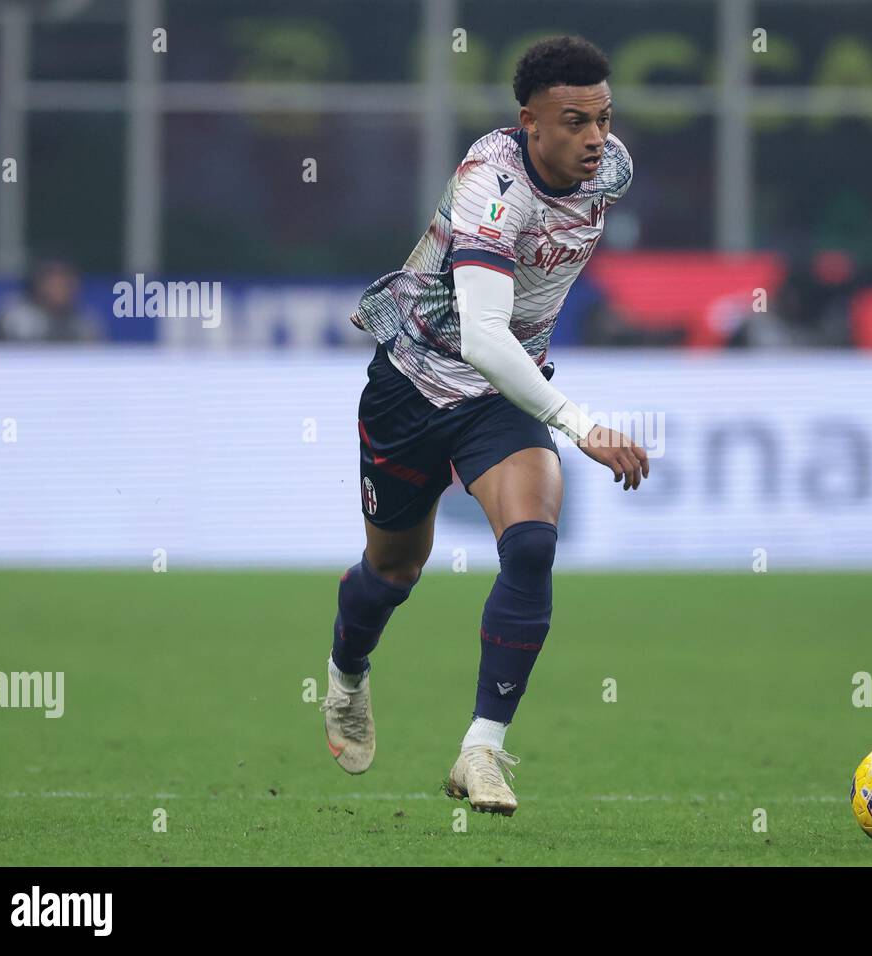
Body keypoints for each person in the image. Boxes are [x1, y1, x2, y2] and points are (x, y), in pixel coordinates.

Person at [324, 36, 649, 816]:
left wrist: (548, 413)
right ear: (529, 123)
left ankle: (482, 749)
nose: (596, 138)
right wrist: (578, 423)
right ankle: (346, 676)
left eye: (604, 118)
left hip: (500, 400)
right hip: (411, 385)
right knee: (393, 573)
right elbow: (481, 335)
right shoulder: (490, 186)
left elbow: (505, 353)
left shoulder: (612, 169)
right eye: (575, 121)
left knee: (532, 542)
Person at [0, 259, 105, 344]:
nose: (59, 289)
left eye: (65, 284)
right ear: (38, 284)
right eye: (53, 284)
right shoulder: (12, 315)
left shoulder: (84, 321)